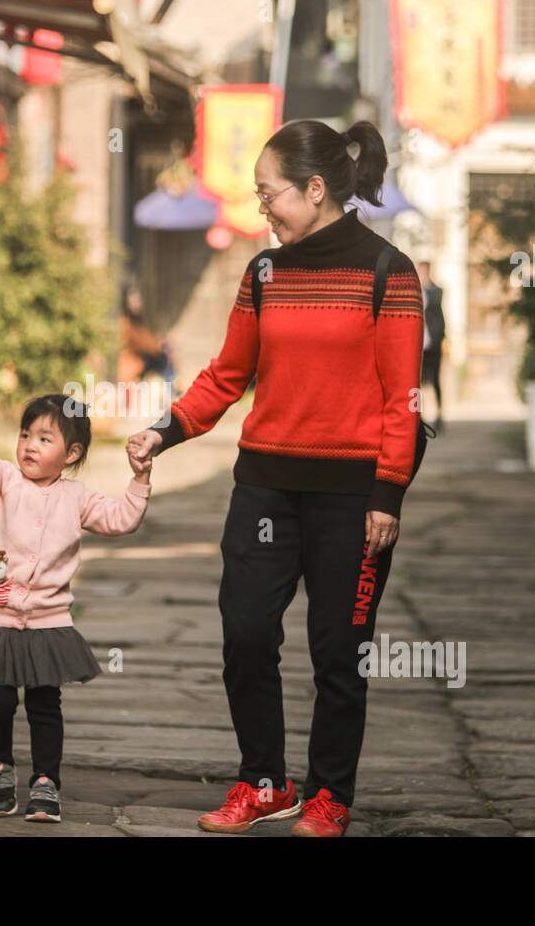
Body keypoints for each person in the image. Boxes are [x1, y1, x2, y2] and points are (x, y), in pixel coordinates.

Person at [127, 119, 423, 837]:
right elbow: (228, 375)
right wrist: (162, 431)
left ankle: (329, 796)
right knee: (246, 635)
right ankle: (264, 783)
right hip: (264, 487)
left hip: (352, 498)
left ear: (316, 190)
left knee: (338, 652)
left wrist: (388, 494)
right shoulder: (263, 273)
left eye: (269, 194)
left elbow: (401, 400)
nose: (261, 207)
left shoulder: (390, 273)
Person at [0, 395, 151, 822]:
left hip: (49, 622)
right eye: (25, 434)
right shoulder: (1, 482)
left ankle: (46, 782)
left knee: (45, 705)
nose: (30, 445)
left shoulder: (78, 497)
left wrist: (140, 478)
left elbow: (122, 519)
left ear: (71, 454)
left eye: (44, 438)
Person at [417, 261, 445, 432]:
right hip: (418, 346)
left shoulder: (436, 291)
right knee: (417, 383)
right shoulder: (414, 290)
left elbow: (435, 305)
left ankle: (440, 415)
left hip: (433, 344)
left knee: (435, 380)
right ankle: (418, 415)